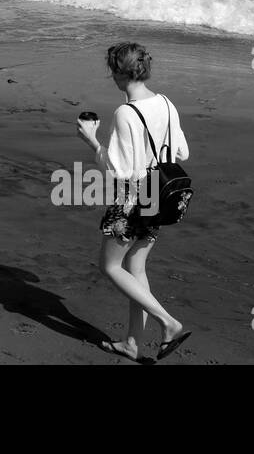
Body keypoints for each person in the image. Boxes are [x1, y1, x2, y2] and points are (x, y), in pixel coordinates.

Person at [74, 42, 191, 363]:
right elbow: (182, 154)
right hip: (159, 196)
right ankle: (131, 344)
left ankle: (169, 323)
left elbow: (117, 170)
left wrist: (92, 140)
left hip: (133, 199)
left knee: (110, 266)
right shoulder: (167, 103)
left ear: (118, 74)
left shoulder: (125, 113)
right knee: (135, 267)